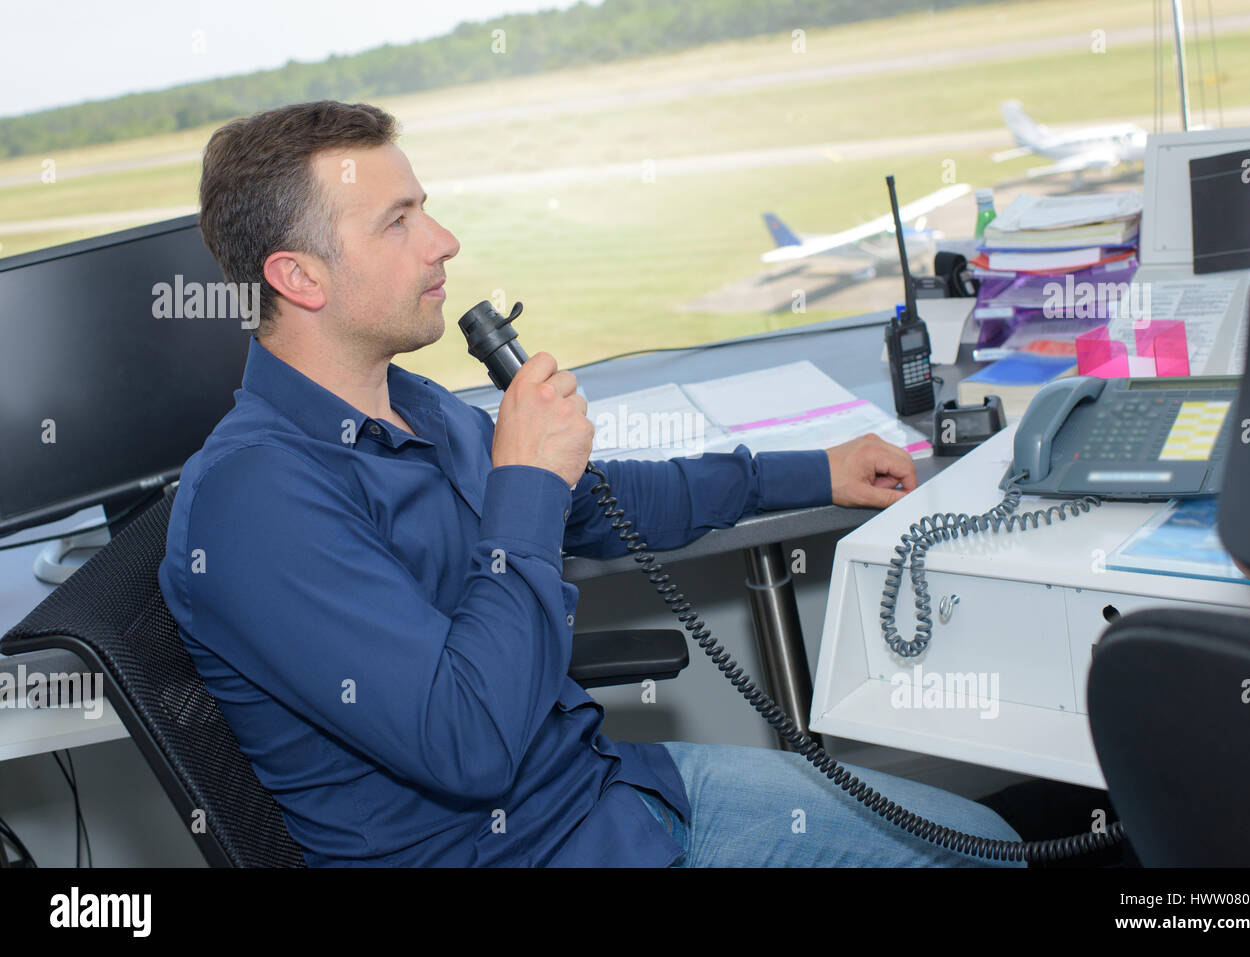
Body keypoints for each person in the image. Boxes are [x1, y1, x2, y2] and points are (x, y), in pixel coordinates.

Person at [158, 99, 1023, 867]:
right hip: (520, 846)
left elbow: (599, 503)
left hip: (609, 791)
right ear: (297, 277)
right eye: (398, 222)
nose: (443, 241)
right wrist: (525, 476)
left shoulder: (409, 401)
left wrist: (812, 472)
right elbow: (468, 741)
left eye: (425, 209)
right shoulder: (252, 504)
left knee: (989, 842)